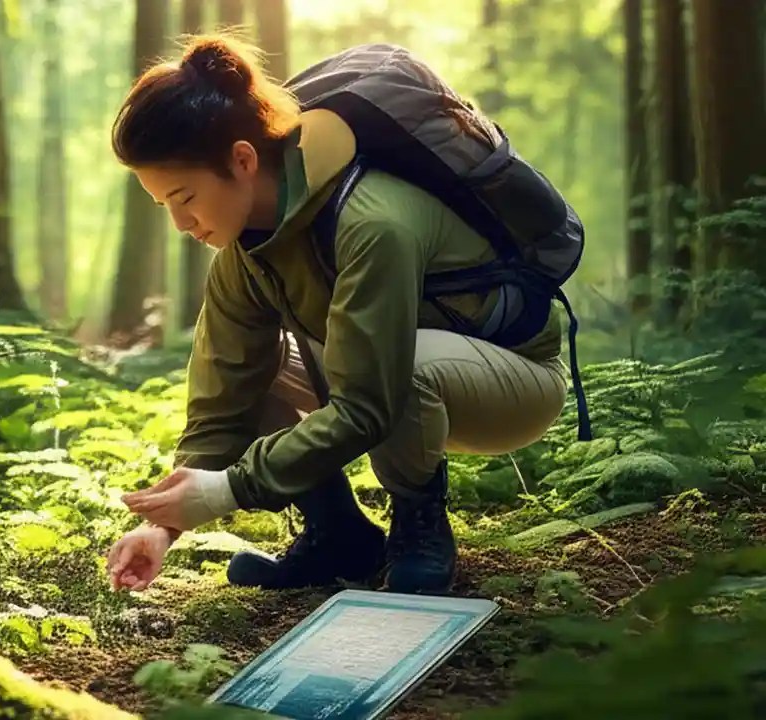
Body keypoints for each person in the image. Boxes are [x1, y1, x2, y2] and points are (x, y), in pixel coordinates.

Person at [104, 33, 571, 597]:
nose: (181, 224)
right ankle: (338, 536)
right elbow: (222, 399)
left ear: (243, 160)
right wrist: (163, 524)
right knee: (258, 369)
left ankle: (419, 527)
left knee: (406, 367)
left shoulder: (372, 222)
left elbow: (369, 403)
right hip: (393, 376)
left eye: (185, 198)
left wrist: (228, 490)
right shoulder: (243, 253)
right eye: (165, 206)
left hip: (514, 378)